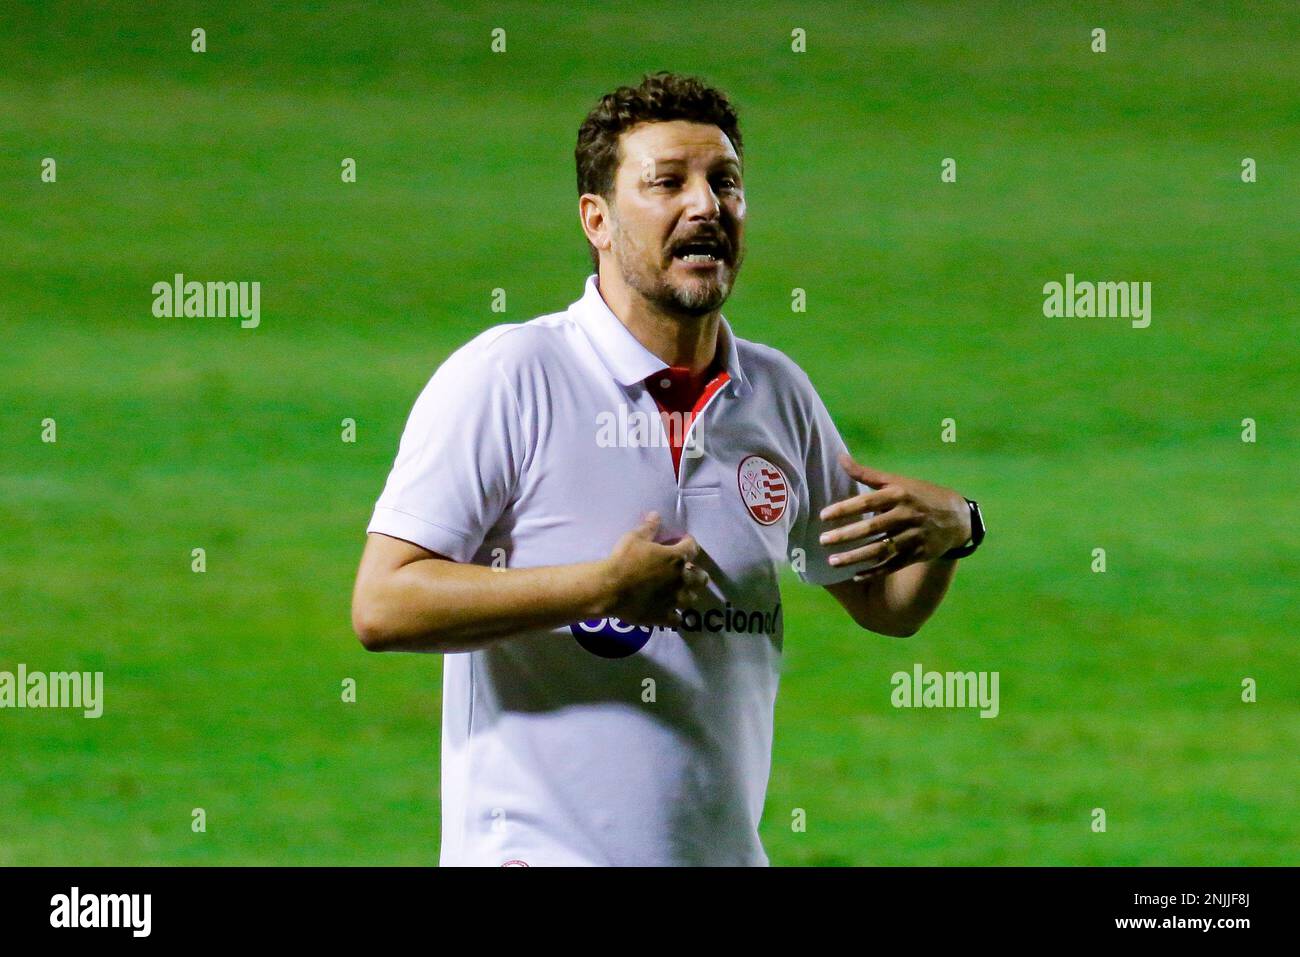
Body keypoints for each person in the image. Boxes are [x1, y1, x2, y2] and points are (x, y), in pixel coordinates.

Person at [351, 71, 985, 866]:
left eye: (726, 183)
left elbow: (882, 604)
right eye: (667, 183)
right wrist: (598, 589)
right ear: (598, 220)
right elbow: (383, 601)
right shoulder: (514, 375)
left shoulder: (775, 393)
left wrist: (953, 531)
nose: (706, 206)